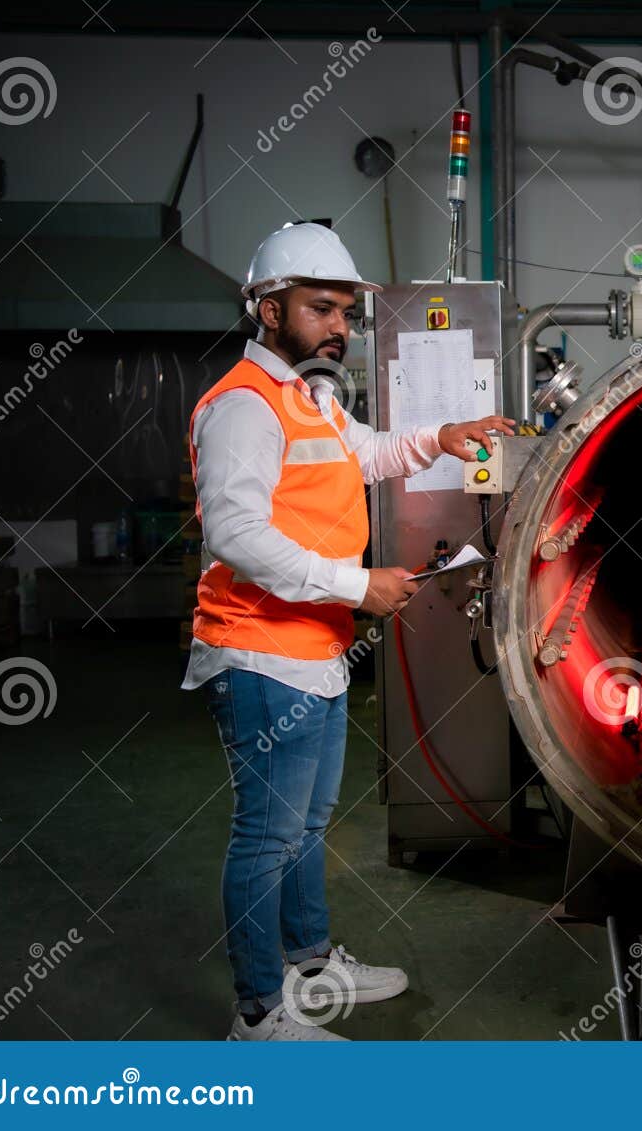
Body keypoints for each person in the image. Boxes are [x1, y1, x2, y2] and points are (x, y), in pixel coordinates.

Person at [184, 222, 513, 1040]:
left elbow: (363, 455)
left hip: (317, 650)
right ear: (267, 308)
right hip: (259, 651)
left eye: (345, 313)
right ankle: (258, 1013)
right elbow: (236, 534)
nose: (340, 327)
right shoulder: (241, 407)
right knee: (266, 836)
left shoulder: (314, 398)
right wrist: (356, 584)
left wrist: (439, 438)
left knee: (307, 824)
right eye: (321, 308)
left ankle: (311, 962)